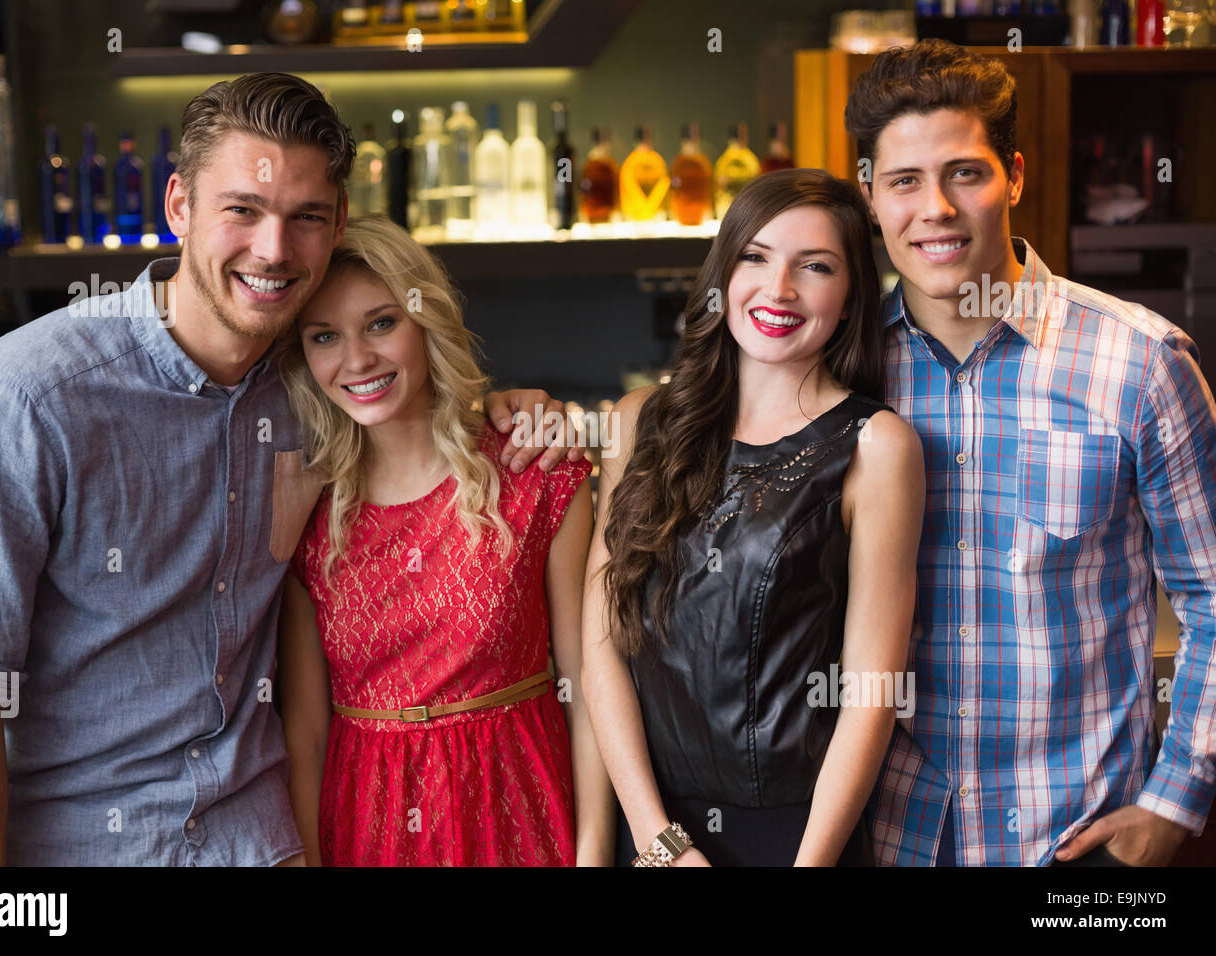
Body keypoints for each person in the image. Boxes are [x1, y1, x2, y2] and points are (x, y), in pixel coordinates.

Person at [0, 73, 573, 866]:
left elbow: (414, 413)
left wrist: (507, 413)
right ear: (179, 206)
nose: (273, 249)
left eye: (306, 217)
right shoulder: (22, 399)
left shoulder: (318, 380)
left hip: (265, 839)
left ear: (336, 226)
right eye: (243, 210)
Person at [845, 39, 1216, 866]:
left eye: (964, 174)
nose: (936, 208)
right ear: (869, 196)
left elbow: (1213, 597)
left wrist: (1173, 802)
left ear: (1013, 176)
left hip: (1076, 842)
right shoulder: (836, 370)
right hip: (889, 836)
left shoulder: (1142, 364)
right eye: (904, 181)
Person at [581, 168, 925, 866]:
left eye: (815, 266)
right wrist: (659, 842)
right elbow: (601, 650)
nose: (779, 288)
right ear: (722, 274)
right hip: (649, 828)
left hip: (797, 838)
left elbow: (872, 695)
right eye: (756, 257)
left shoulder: (877, 445)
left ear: (851, 296)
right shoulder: (638, 423)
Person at [275, 215, 613, 866]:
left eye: (381, 323)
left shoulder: (533, 471)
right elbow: (307, 734)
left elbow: (588, 689)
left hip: (519, 817)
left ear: (426, 322)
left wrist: (594, 854)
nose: (357, 360)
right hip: (365, 832)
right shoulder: (307, 514)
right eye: (325, 336)